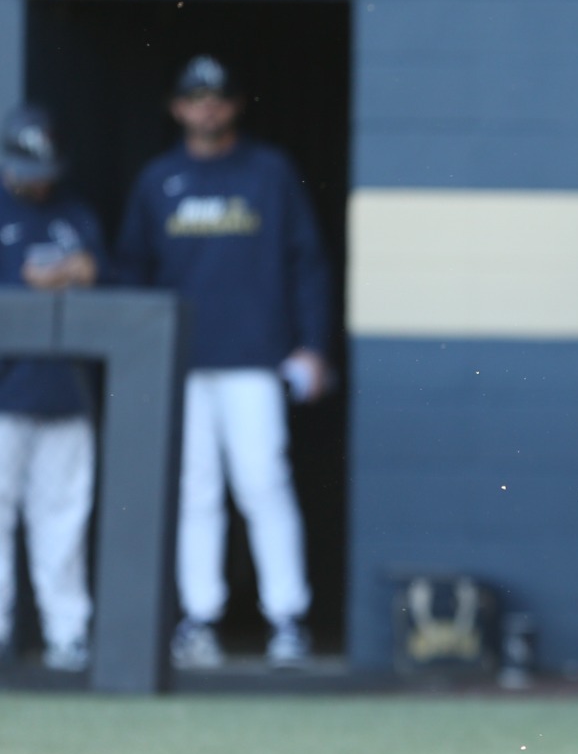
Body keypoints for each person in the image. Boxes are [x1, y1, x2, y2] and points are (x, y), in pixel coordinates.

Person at [117, 56, 331, 671]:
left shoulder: (268, 171)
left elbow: (306, 262)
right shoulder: (159, 179)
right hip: (181, 359)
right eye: (194, 98)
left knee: (263, 481)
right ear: (177, 107)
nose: (206, 107)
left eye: (217, 97)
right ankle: (198, 618)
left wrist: (312, 345)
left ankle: (287, 617)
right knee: (194, 491)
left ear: (234, 105)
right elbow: (132, 268)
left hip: (255, 357)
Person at [0, 106, 103, 672]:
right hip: (4, 389)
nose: (35, 180)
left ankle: (68, 633)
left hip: (63, 389)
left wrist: (81, 272)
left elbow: (111, 283)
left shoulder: (74, 215)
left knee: (63, 517)